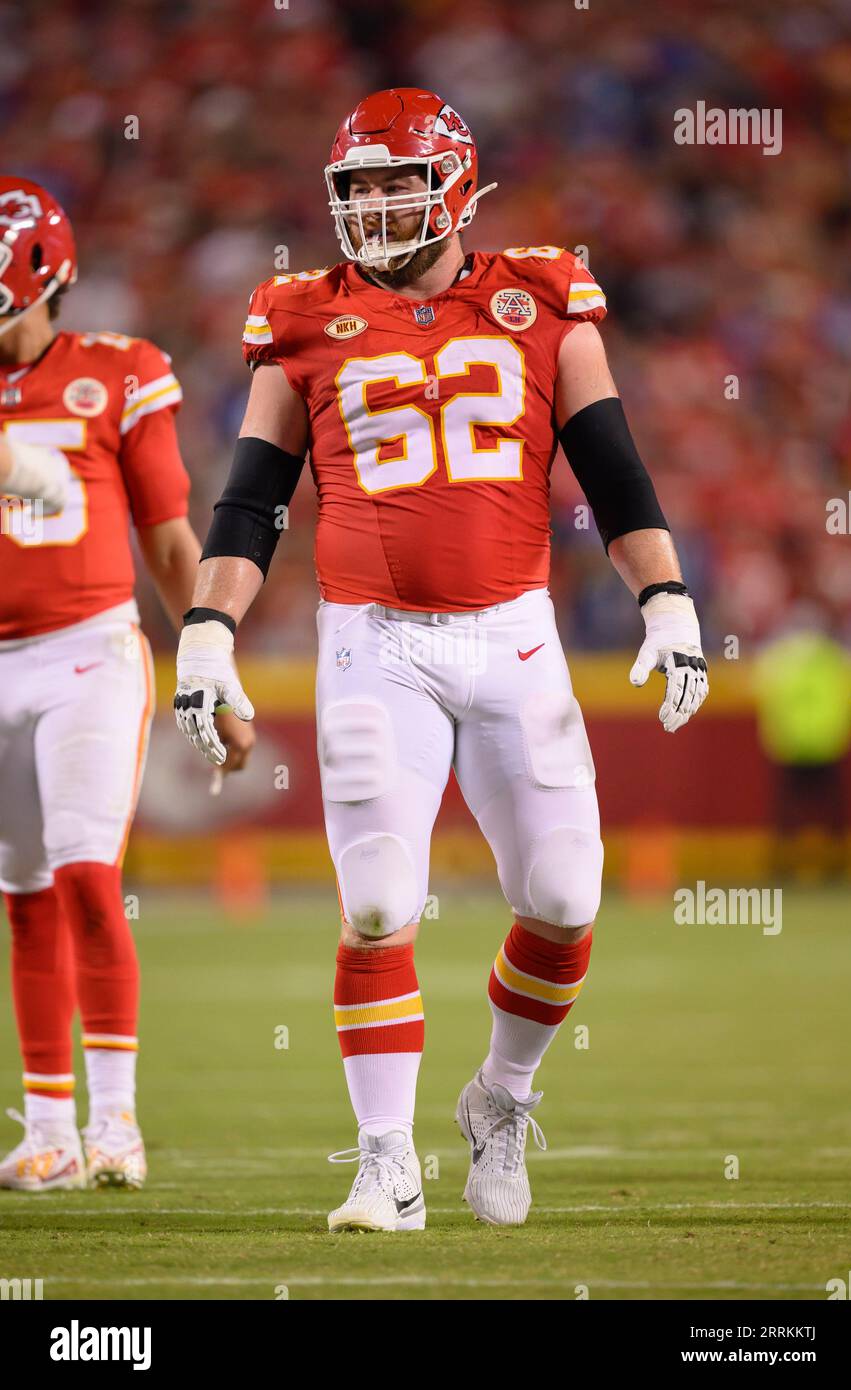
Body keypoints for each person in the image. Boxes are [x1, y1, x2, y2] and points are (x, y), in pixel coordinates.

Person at [174, 88, 709, 1230]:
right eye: (355, 187)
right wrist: (209, 627)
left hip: (513, 636)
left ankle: (498, 1097)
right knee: (375, 904)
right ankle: (384, 1162)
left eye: (393, 183)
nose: (371, 207)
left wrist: (663, 597)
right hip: (372, 643)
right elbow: (250, 500)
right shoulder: (300, 320)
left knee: (564, 896)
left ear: (457, 183)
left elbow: (611, 474)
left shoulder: (540, 300)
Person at [0, 177, 254, 1192]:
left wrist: (213, 669)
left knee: (87, 881)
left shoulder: (118, 372)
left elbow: (167, 540)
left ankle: (117, 1124)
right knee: (22, 901)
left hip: (85, 654)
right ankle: (50, 1129)